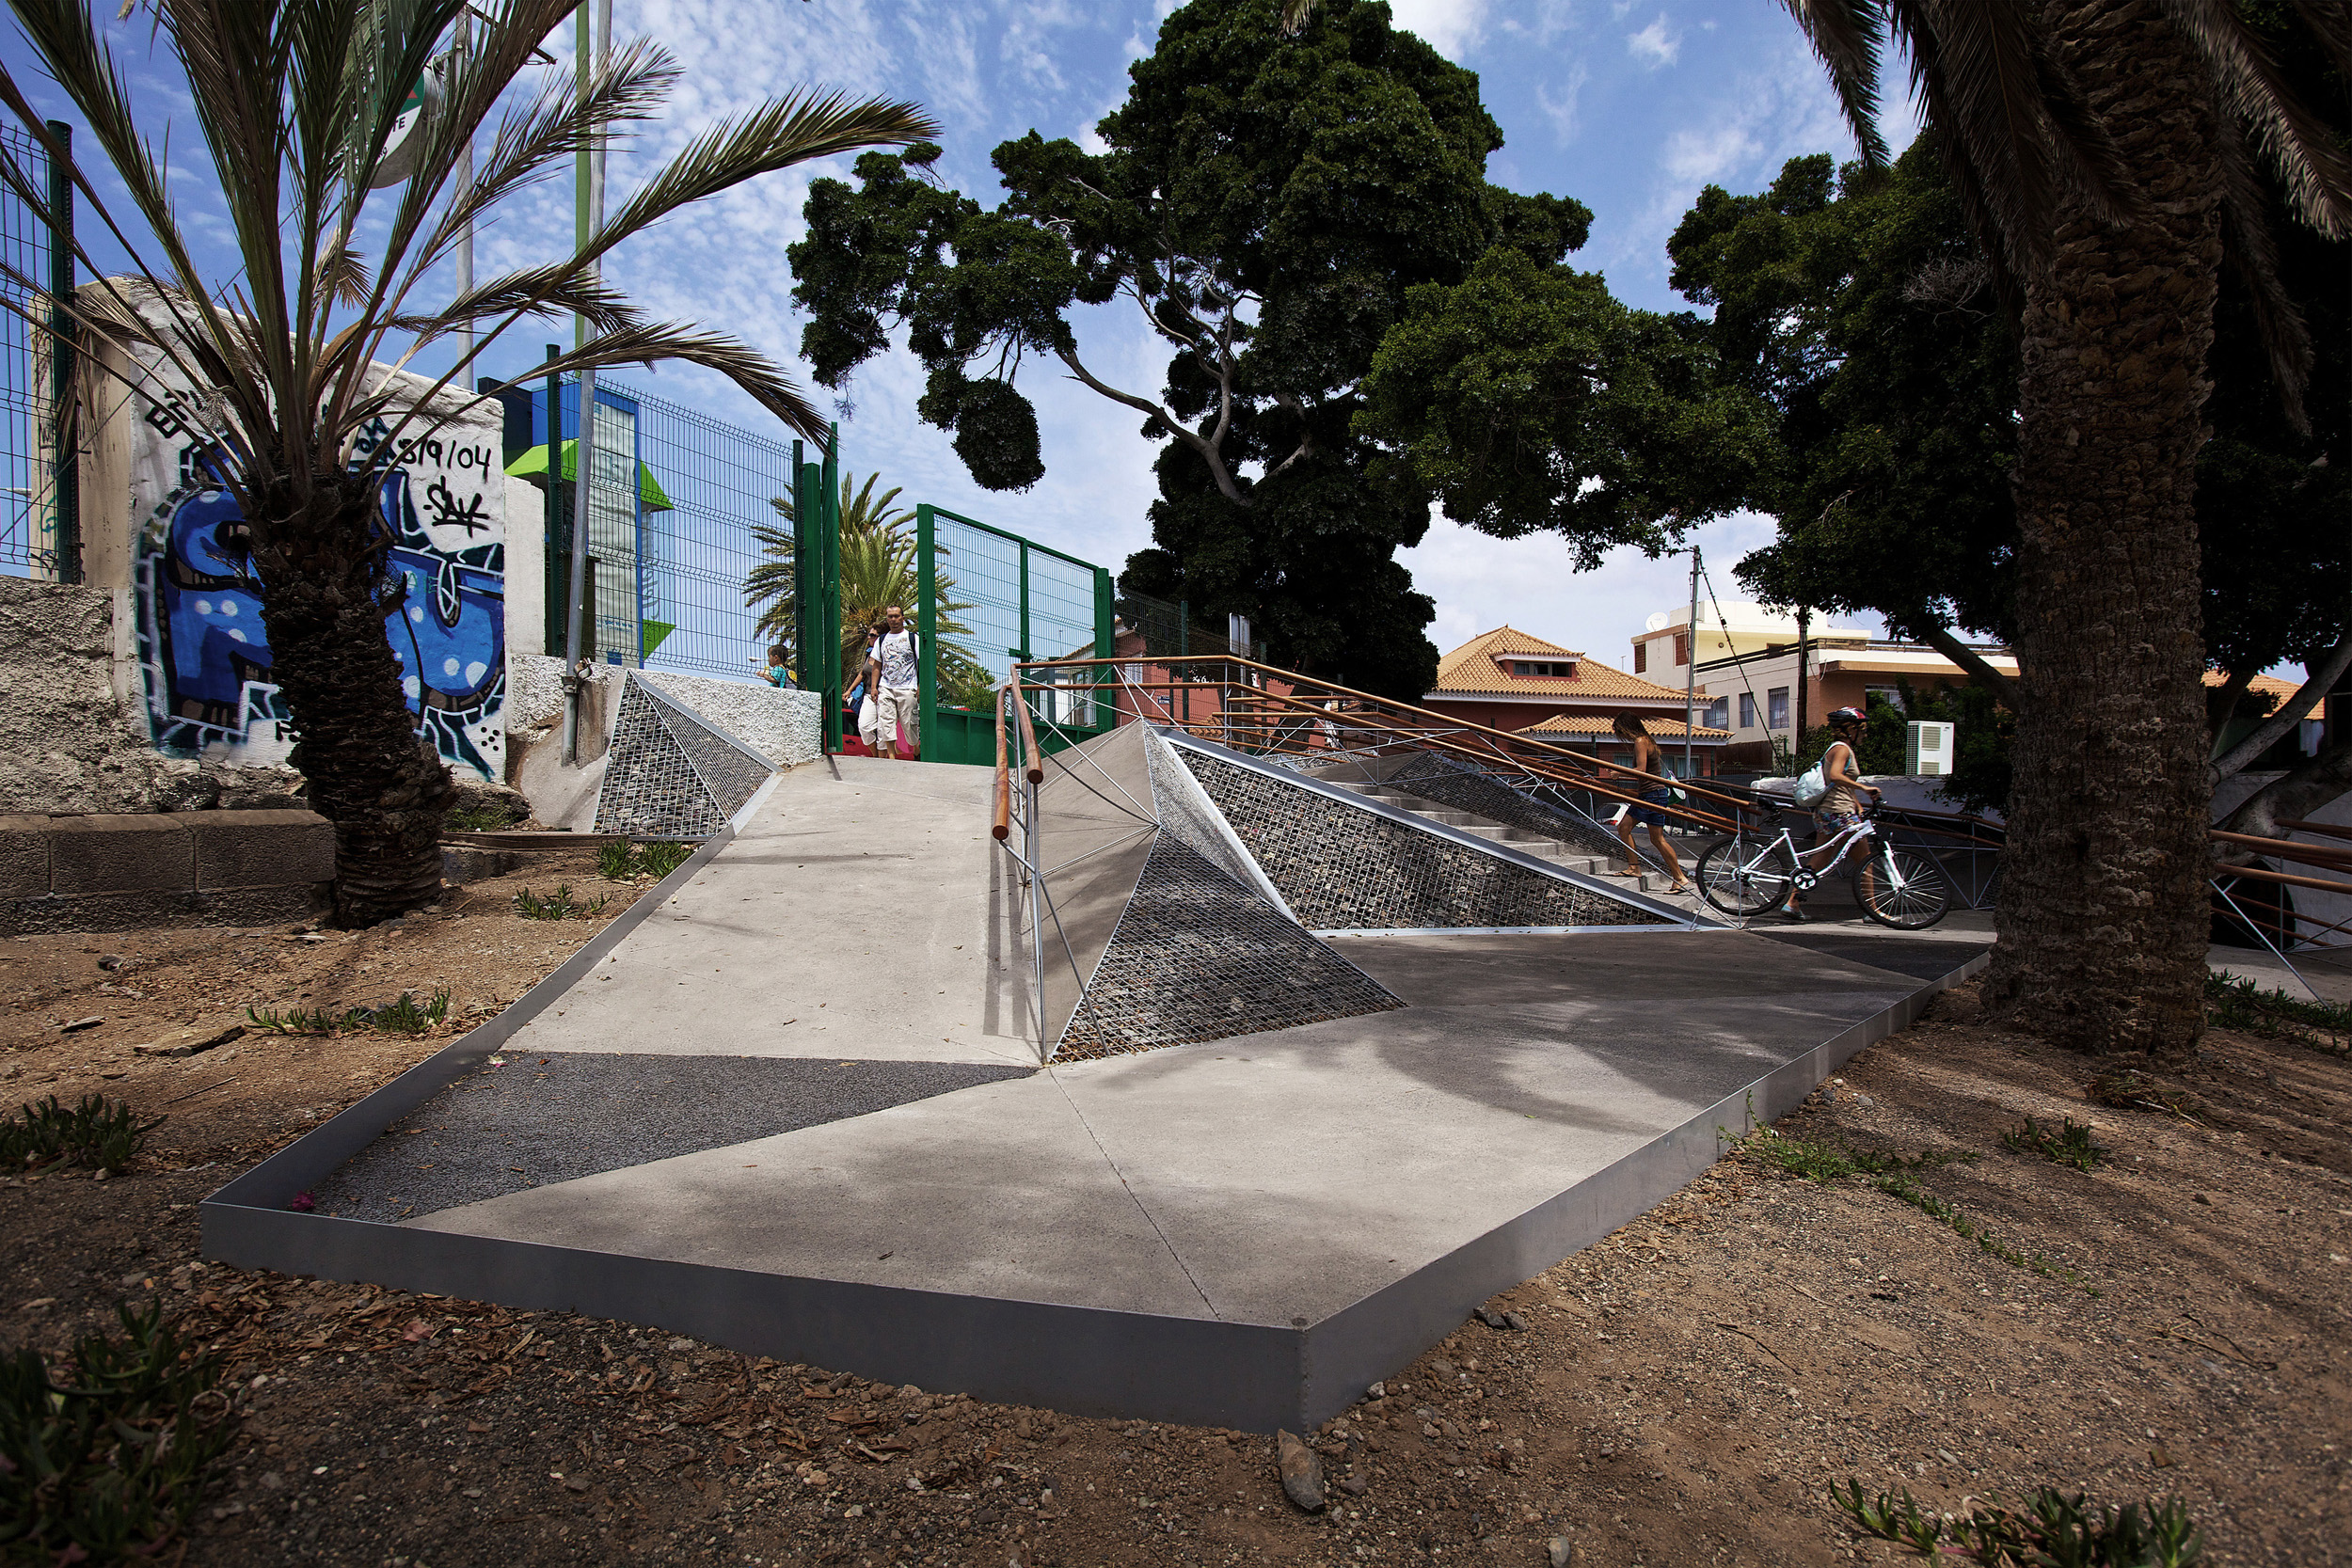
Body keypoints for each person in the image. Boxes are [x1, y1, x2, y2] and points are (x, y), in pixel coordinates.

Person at [1779, 705, 1882, 921]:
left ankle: (1793, 903)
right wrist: (1864, 789)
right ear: (1850, 729)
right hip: (1840, 814)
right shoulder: (1843, 749)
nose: (1865, 734)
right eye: (1862, 730)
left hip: (1829, 811)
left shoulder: (1836, 748)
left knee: (1820, 859)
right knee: (1865, 861)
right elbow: (1835, 776)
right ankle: (1872, 911)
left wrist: (1857, 803)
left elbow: (1838, 783)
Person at [1606, 714, 1692, 895]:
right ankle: (1634, 867)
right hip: (1648, 794)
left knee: (1657, 839)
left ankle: (1680, 878)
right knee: (1624, 828)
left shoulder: (1640, 741)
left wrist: (1618, 773)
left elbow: (1641, 770)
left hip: (1652, 794)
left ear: (1628, 727)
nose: (1622, 735)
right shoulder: (1647, 740)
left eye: (1621, 731)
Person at [869, 605, 921, 761]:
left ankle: (916, 748)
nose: (894, 619)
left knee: (909, 724)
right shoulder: (882, 640)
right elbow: (877, 664)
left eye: (897, 616)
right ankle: (891, 757)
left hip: (907, 687)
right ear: (887, 619)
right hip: (886, 687)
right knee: (886, 722)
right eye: (890, 616)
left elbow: (922, 662)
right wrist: (874, 687)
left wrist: (920, 686)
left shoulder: (913, 638)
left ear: (903, 618)